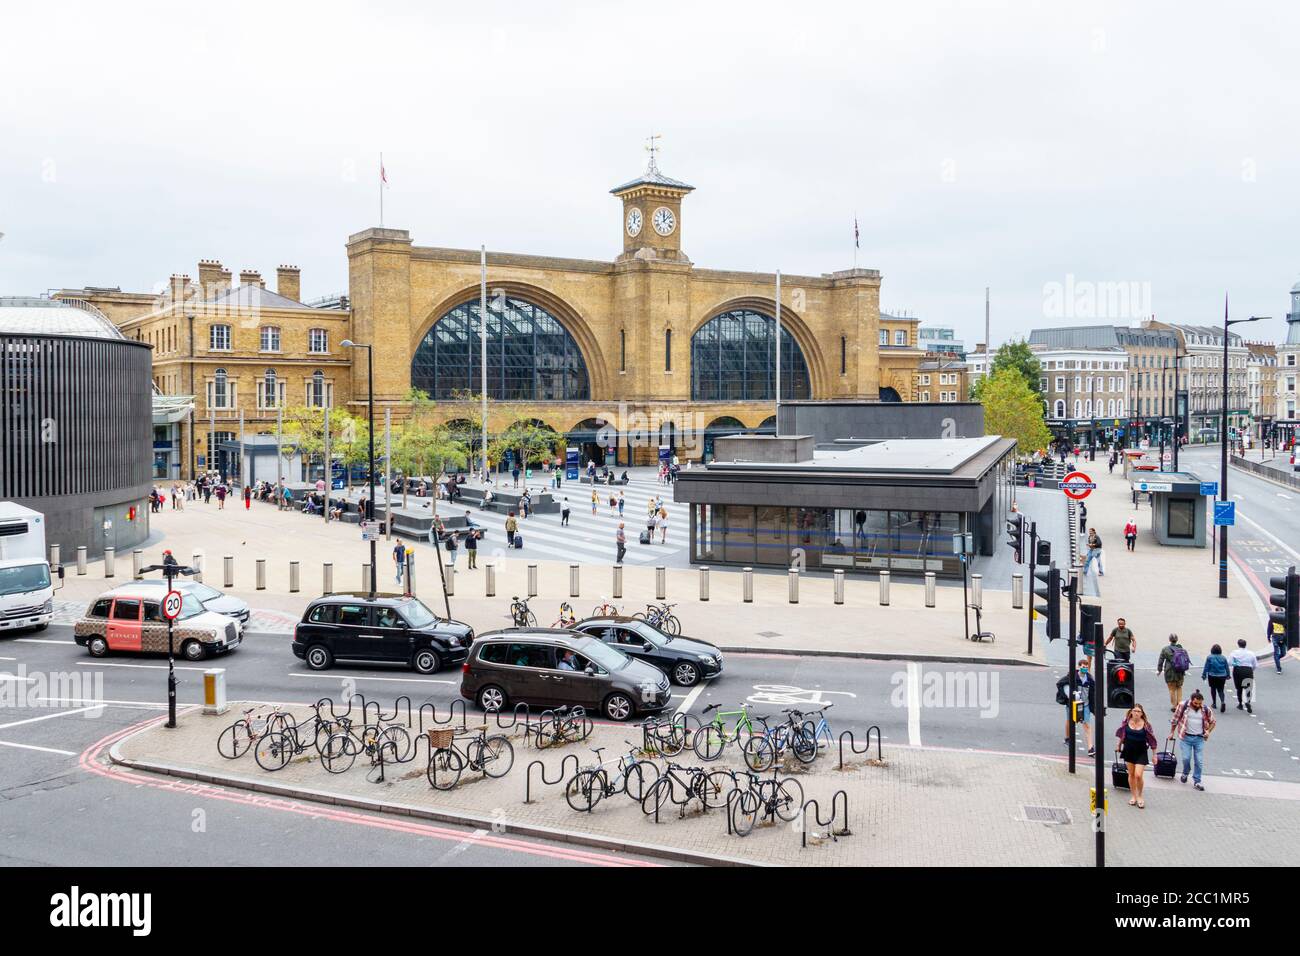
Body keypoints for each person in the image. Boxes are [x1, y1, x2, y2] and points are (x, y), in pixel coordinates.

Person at [1115, 704, 1159, 809]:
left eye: (1139, 711)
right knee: (1131, 774)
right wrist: (1119, 745)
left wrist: (1154, 755)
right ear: (1131, 712)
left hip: (1141, 752)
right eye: (1134, 711)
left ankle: (1140, 796)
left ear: (1142, 713)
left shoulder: (1146, 725)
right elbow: (1122, 735)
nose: (1136, 713)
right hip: (1129, 750)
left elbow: (1152, 740)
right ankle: (1133, 796)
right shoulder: (1126, 722)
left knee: (1138, 775)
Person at [1171, 690, 1215, 791]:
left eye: (1200, 703)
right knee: (1186, 758)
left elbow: (1213, 722)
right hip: (1185, 737)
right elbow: (1175, 719)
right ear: (1191, 700)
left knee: (1199, 761)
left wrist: (1208, 731)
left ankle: (1197, 781)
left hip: (1199, 738)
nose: (1198, 705)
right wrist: (1171, 732)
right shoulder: (1183, 706)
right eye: (1196, 703)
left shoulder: (1206, 709)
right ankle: (1186, 772)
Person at [1057, 659, 1096, 756]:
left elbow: (1093, 693)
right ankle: (1068, 738)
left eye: (1086, 667)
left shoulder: (1090, 679)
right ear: (1079, 667)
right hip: (1073, 704)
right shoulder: (1072, 676)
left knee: (1087, 725)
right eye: (1083, 667)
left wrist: (1094, 706)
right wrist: (1070, 695)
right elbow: (1062, 683)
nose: (1085, 669)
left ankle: (1091, 748)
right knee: (1070, 721)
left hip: (1085, 705)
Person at [1156, 633, 1190, 712]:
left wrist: (1159, 670)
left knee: (1171, 689)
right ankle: (1179, 704)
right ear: (1177, 640)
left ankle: (1174, 706)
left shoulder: (1165, 649)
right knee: (1179, 687)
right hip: (1180, 672)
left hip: (1169, 671)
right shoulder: (1182, 650)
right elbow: (1186, 660)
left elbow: (1161, 660)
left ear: (1169, 640)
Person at [1229, 638, 1257, 713]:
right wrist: (1251, 670)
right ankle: (1248, 702)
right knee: (1248, 688)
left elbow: (1230, 662)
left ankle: (1240, 704)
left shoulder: (1234, 652)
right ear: (1245, 645)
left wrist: (1236, 664)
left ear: (1238, 645)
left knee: (1239, 688)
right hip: (1248, 670)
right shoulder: (1251, 653)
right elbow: (1255, 664)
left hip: (1238, 670)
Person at [1201, 644, 1230, 712]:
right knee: (1221, 690)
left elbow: (1206, 667)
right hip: (1222, 676)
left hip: (1212, 675)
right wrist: (1228, 675)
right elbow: (1227, 667)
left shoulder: (1209, 657)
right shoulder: (1223, 658)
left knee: (1213, 688)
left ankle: (1214, 703)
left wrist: (1204, 675)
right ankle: (1222, 701)